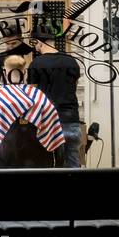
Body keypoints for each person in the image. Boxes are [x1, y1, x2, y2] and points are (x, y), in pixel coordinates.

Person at [0, 55, 65, 168]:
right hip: (38, 166)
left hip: (1, 166)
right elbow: (57, 141)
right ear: (25, 72)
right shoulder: (41, 99)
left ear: (5, 73)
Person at [27, 26, 83, 168]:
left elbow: (33, 95)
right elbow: (73, 88)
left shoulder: (36, 64)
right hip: (71, 119)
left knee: (47, 165)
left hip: (47, 122)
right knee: (73, 162)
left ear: (39, 42)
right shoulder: (71, 61)